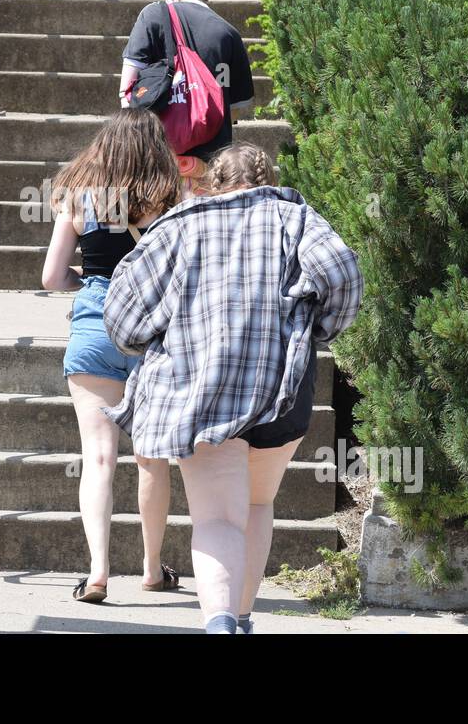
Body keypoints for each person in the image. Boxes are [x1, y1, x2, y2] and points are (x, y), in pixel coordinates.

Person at [102, 143, 363, 633]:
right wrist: (316, 326)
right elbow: (344, 272)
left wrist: (153, 335)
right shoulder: (297, 219)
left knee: (217, 517)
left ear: (213, 181)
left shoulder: (177, 226)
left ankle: (220, 624)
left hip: (200, 389)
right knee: (258, 504)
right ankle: (243, 619)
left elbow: (121, 315)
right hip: (282, 388)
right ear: (268, 178)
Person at [41, 109, 183, 602]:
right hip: (151, 333)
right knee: (152, 459)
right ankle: (150, 568)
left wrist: (93, 285)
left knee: (98, 457)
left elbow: (52, 277)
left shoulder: (78, 198)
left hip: (95, 327)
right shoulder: (166, 202)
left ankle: (98, 571)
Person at [118, 0, 255, 194]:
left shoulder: (153, 15)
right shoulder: (228, 33)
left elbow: (127, 93)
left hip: (158, 161)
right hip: (210, 168)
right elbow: (236, 106)